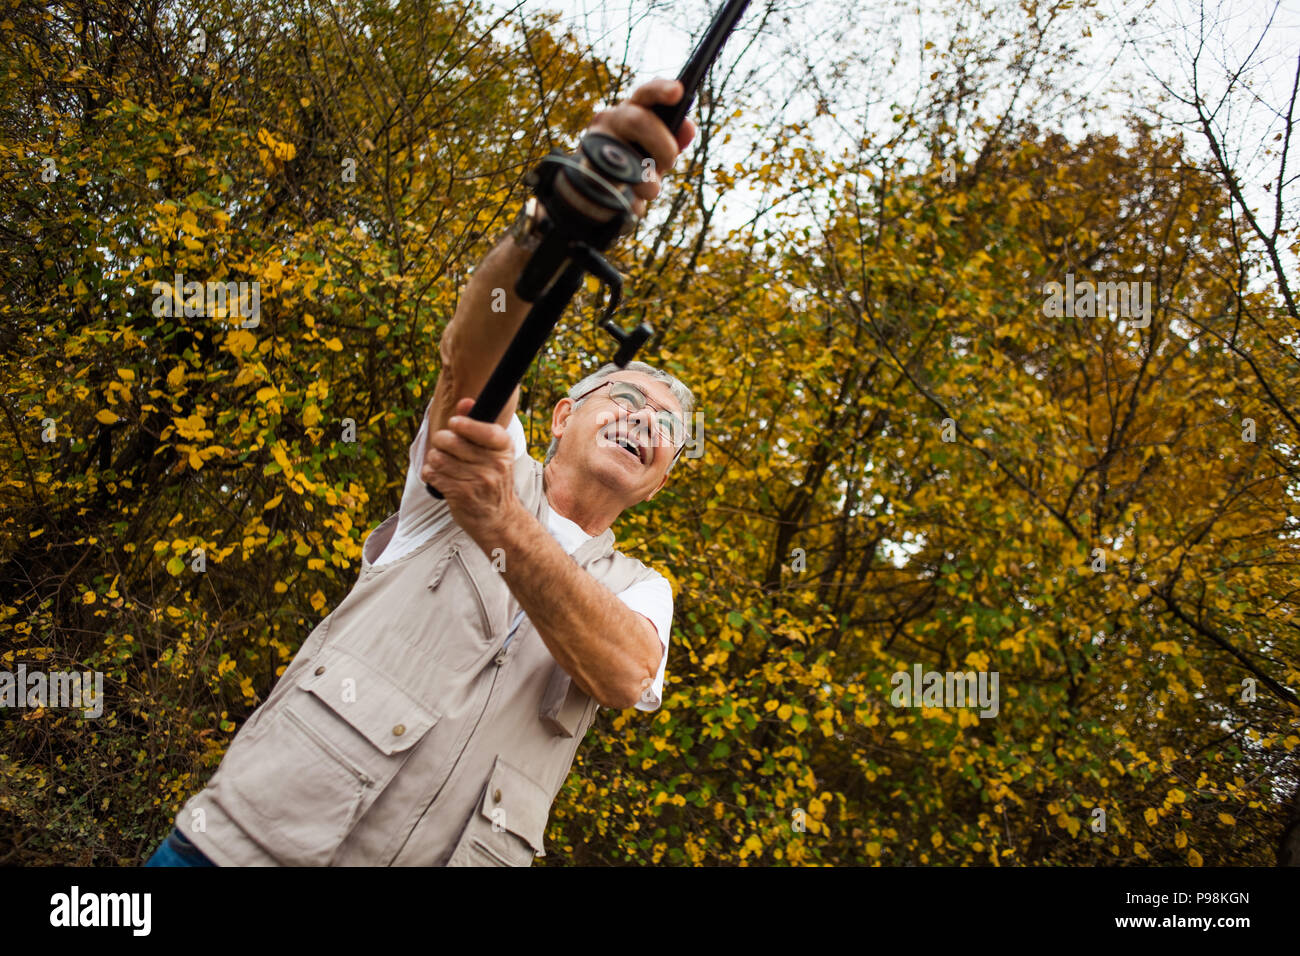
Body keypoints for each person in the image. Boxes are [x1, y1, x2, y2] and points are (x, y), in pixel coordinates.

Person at [145, 77, 697, 866]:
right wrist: (558, 222)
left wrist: (503, 524)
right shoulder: (486, 460)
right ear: (561, 418)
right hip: (234, 854)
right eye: (626, 395)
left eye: (669, 427)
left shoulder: (643, 589)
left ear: (662, 477)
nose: (647, 419)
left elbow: (623, 671)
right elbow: (475, 357)